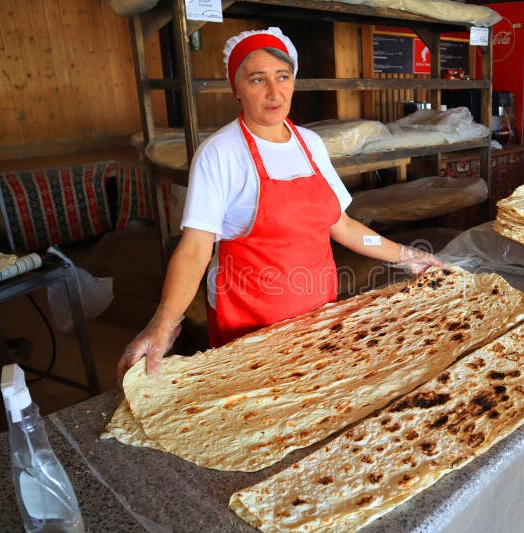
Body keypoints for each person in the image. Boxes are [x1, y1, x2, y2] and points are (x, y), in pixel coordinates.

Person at [117, 27, 443, 382]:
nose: (274, 92)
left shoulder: (310, 143)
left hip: (318, 313)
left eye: (282, 77)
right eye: (258, 79)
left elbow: (342, 225)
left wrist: (407, 256)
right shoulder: (220, 153)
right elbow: (195, 248)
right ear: (237, 89)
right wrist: (164, 322)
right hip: (250, 324)